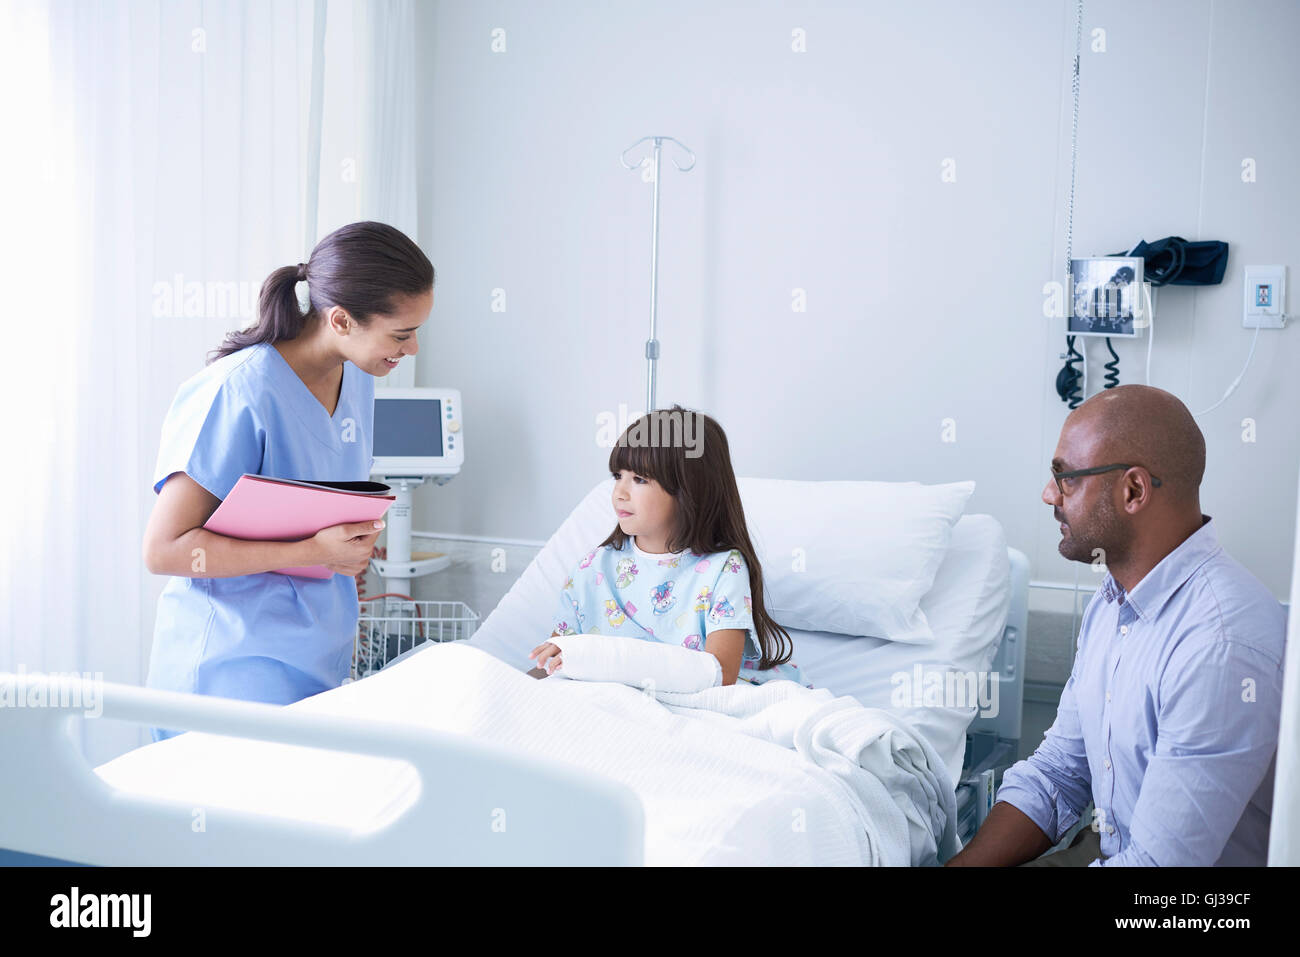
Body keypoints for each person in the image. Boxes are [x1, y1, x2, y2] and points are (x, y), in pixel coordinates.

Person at [947, 384, 1286, 866]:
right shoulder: (1114, 603)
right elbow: (1058, 775)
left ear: (1133, 491)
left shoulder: (1221, 645)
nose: (1049, 495)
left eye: (1065, 479)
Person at [140, 221, 434, 740]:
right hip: (231, 666)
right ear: (341, 319)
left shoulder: (358, 377)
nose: (411, 349)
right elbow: (165, 550)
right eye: (401, 334)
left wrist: (348, 543)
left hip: (317, 657)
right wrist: (314, 551)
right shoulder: (237, 392)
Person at [528, 406, 808, 688]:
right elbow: (553, 664)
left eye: (639, 479)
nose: (619, 493)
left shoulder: (723, 569)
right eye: (617, 476)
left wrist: (609, 660)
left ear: (689, 490)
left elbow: (720, 676)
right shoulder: (593, 568)